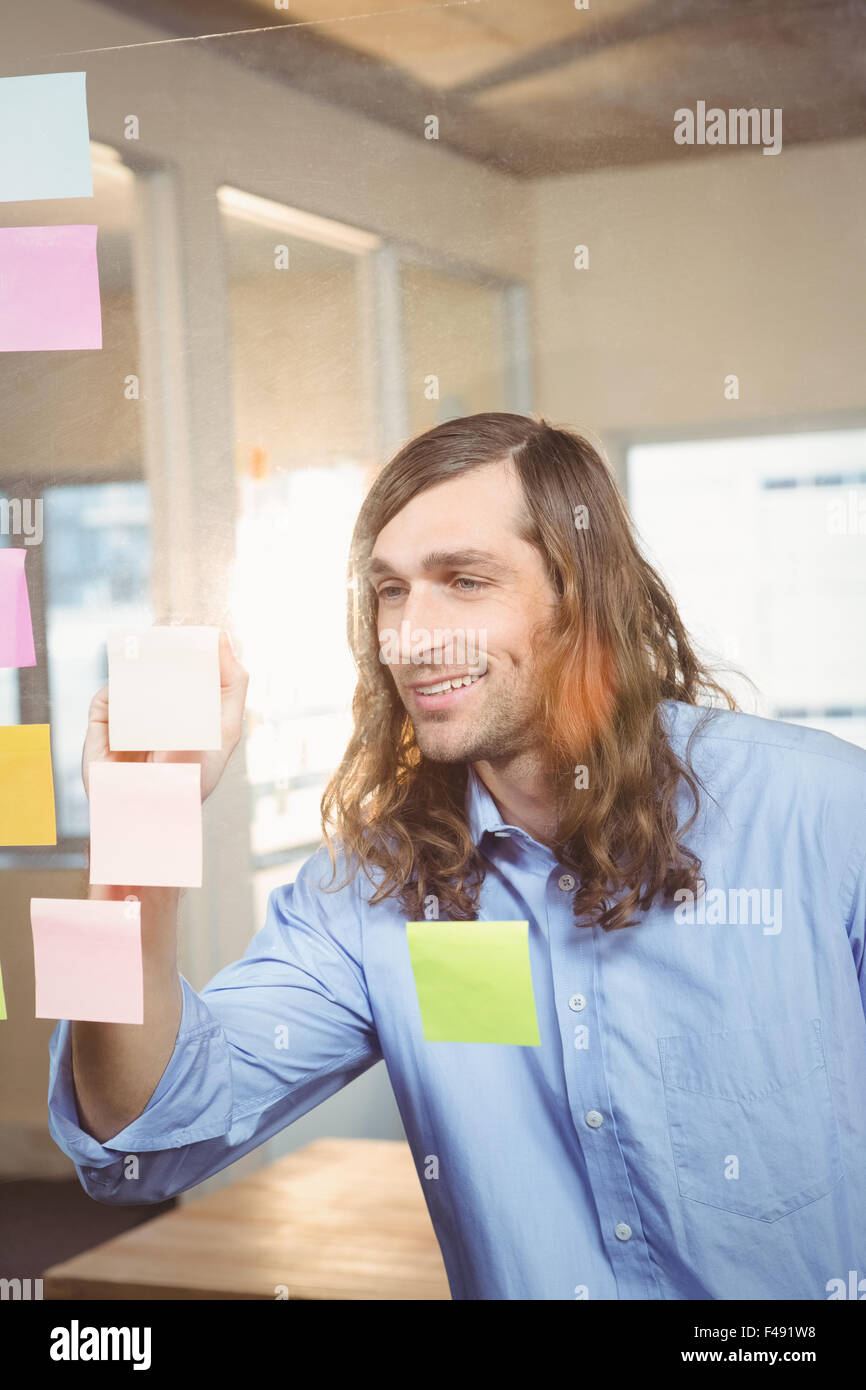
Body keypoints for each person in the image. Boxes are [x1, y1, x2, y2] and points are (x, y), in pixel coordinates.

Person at [48, 412, 866, 1300]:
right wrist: (138, 821)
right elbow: (140, 1137)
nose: (410, 635)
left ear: (580, 598)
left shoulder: (819, 814)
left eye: (465, 581)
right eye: (390, 591)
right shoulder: (371, 890)